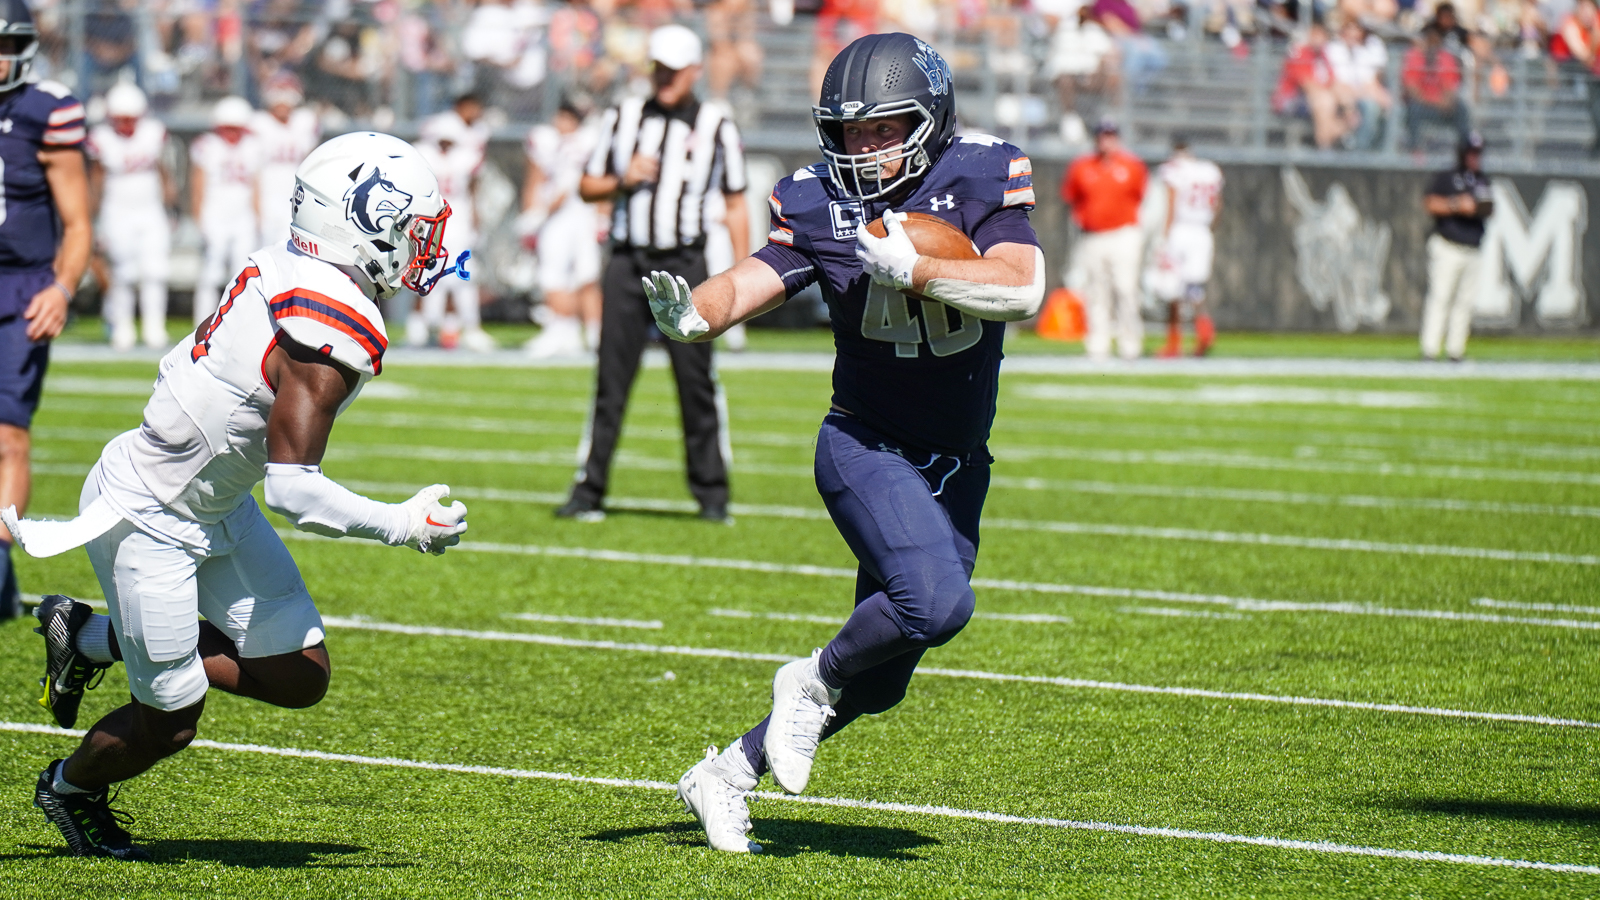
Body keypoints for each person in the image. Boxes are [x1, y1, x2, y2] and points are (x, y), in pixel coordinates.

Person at [9, 132, 469, 861]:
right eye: (411, 227)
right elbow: (294, 489)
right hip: (148, 516)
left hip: (211, 503)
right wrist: (403, 524)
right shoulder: (326, 334)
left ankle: (84, 636)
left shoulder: (297, 266)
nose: (423, 246)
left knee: (298, 674)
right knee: (171, 718)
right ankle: (69, 788)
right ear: (359, 222)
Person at [647, 33, 1043, 853]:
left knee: (883, 680)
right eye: (851, 132)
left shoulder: (981, 170)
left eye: (883, 130)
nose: (864, 150)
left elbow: (1023, 286)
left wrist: (919, 271)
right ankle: (807, 677)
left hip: (957, 460)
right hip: (867, 446)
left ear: (929, 120)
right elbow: (755, 274)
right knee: (935, 604)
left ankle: (724, 773)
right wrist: (698, 314)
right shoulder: (814, 197)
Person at [558, 25, 748, 523]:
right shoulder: (622, 116)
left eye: (673, 69)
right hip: (627, 261)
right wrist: (623, 181)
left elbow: (735, 201)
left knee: (697, 381)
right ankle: (589, 488)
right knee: (611, 380)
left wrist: (747, 274)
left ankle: (712, 495)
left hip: (688, 264)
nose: (664, 78)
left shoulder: (716, 124)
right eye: (657, 68)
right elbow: (586, 186)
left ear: (694, 71)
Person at [0, 0, 90, 621]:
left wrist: (60, 288)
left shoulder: (45, 113)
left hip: (20, 288)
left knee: (6, 433)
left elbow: (78, 222)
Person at [87, 82, 172, 351]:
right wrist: (93, 216)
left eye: (130, 118)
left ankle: (154, 326)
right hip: (117, 209)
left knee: (155, 270)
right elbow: (97, 178)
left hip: (150, 208)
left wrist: (171, 204)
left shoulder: (152, 132)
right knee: (123, 272)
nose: (125, 124)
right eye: (120, 118)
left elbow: (163, 170)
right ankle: (122, 326)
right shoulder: (101, 137)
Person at [521, 97, 602, 358]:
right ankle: (566, 331)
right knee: (559, 276)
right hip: (566, 218)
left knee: (583, 276)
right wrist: (532, 213)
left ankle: (587, 331)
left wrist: (538, 216)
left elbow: (568, 186)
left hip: (574, 216)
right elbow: (537, 177)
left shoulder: (588, 140)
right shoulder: (549, 140)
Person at [1062, 117, 1147, 361]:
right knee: (1097, 291)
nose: (1106, 140)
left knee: (1125, 287)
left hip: (1124, 233)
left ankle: (1130, 342)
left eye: (1110, 135)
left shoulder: (1132, 166)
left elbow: (1139, 197)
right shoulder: (1082, 167)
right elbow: (1072, 197)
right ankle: (1098, 343)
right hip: (1093, 235)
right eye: (1102, 135)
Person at [412, 115, 494, 351]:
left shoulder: (463, 157)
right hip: (435, 221)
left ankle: (467, 327)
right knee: (431, 274)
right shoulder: (426, 153)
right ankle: (429, 327)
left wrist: (476, 217)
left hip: (458, 220)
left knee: (463, 274)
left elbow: (473, 187)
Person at [1420, 131, 1493, 361]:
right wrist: (1456, 204)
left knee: (1465, 302)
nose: (1475, 158)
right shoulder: (1447, 177)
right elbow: (1430, 203)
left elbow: (1490, 208)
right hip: (1448, 245)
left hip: (1473, 246)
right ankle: (1430, 349)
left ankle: (1455, 350)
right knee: (1441, 297)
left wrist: (1479, 208)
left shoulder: (1482, 180)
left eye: (1478, 153)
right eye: (1471, 153)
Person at [189, 96, 262, 326]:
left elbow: (256, 184)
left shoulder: (253, 147)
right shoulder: (208, 145)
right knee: (211, 271)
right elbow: (197, 183)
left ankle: (237, 325)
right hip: (216, 213)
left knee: (243, 272)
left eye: (236, 128)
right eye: (227, 128)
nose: (231, 133)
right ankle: (201, 323)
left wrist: (258, 216)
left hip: (242, 216)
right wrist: (199, 216)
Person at [1153, 136, 1222, 357]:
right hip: (1202, 231)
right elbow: (1217, 206)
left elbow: (1171, 204)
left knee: (1171, 289)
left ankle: (1174, 343)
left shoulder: (1175, 170)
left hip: (1180, 230)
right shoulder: (1209, 170)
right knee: (1194, 289)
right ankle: (1205, 330)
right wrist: (1208, 229)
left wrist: (1164, 238)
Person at [252, 76, 321, 247]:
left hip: (295, 191)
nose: (282, 101)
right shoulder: (258, 123)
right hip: (267, 192)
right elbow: (253, 169)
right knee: (266, 244)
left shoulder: (305, 120)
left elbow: (311, 161)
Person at [1273, 21, 1351, 149]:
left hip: (1315, 99)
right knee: (1324, 101)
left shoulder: (1323, 56)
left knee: (1347, 104)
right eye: (1315, 34)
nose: (1318, 39)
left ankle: (1327, 141)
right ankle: (1324, 145)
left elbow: (1332, 81)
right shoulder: (1299, 52)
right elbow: (1307, 84)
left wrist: (1347, 105)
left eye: (1322, 35)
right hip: (1290, 99)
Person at [1325, 19, 1391, 150]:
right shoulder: (1334, 47)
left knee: (1390, 106)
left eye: (1357, 29)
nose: (1353, 33)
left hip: (1363, 92)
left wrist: (1373, 92)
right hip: (1341, 94)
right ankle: (1361, 150)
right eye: (1349, 29)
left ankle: (1381, 149)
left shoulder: (1366, 48)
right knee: (1369, 107)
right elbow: (1338, 82)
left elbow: (1371, 81)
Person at [1402, 25, 1470, 149]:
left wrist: (1445, 102)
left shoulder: (1445, 58)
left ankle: (1464, 152)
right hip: (1423, 105)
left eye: (1435, 39)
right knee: (1413, 109)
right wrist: (1435, 101)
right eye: (1429, 39)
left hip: (1441, 107)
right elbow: (1413, 91)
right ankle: (1415, 151)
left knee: (1461, 108)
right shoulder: (1415, 57)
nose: (1432, 43)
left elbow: (1450, 90)